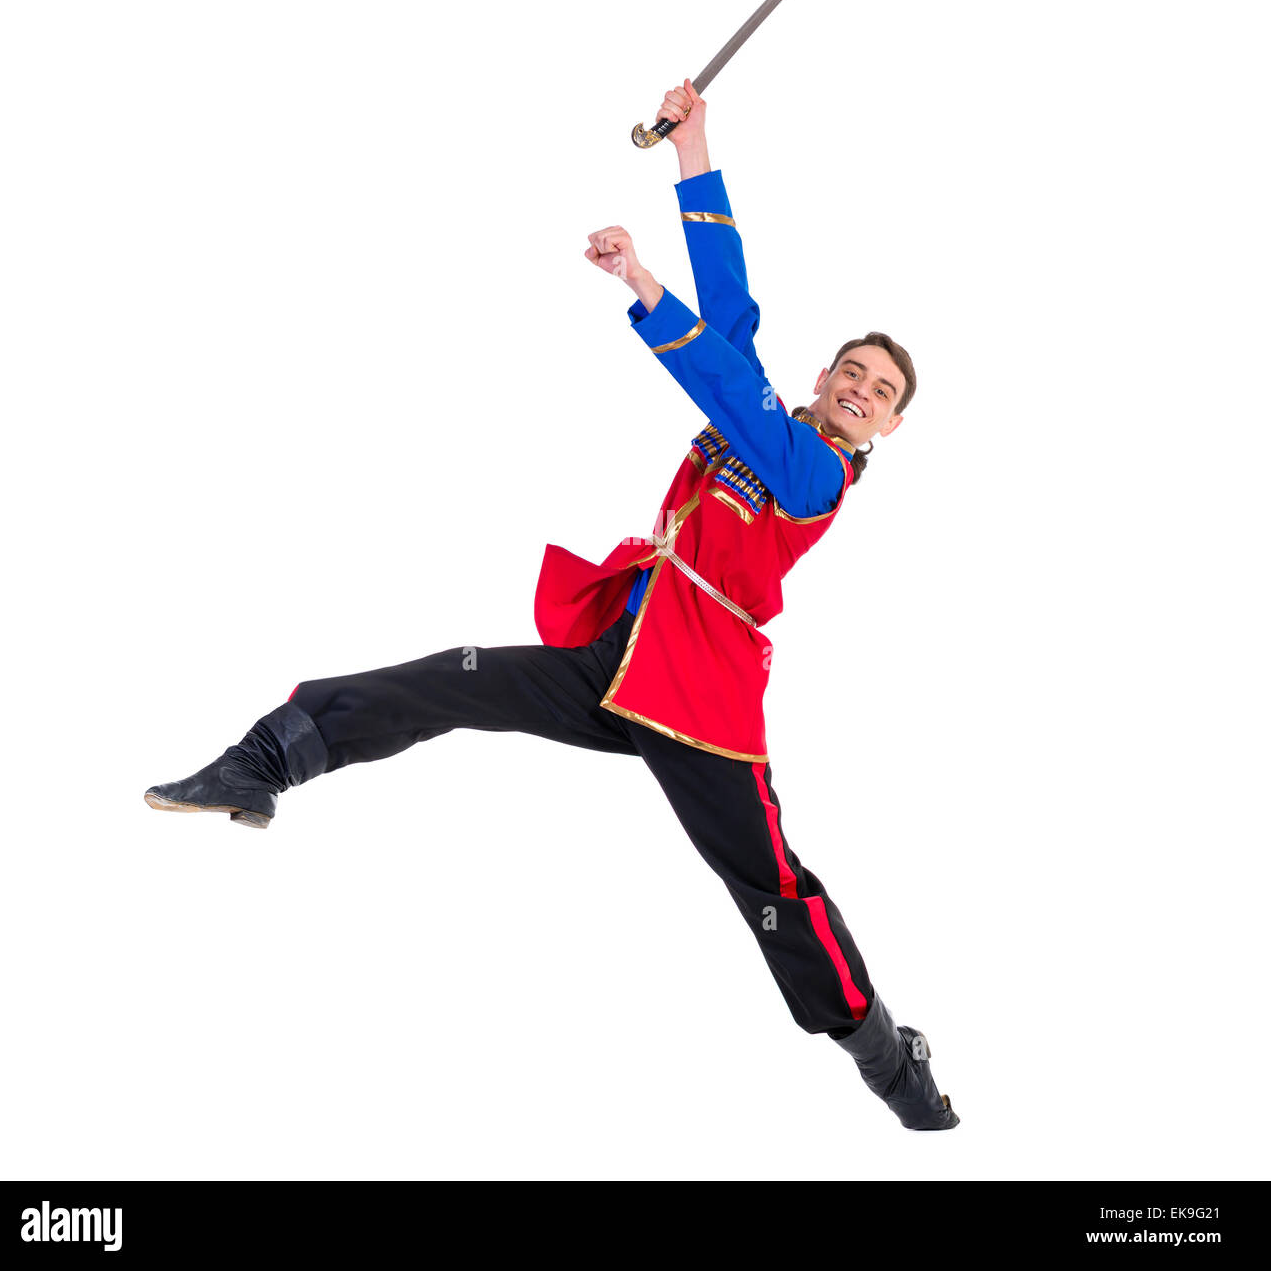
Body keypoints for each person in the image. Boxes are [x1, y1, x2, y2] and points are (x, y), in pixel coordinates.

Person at [145, 80, 959, 1131]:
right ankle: (268, 758)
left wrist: (643, 287)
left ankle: (888, 1056)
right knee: (452, 677)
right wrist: (694, 152)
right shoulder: (763, 402)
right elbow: (733, 316)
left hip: (700, 703)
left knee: (771, 894)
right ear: (820, 373)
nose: (860, 387)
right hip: (625, 659)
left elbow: (727, 379)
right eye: (851, 370)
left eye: (879, 391)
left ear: (884, 429)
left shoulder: (816, 477)